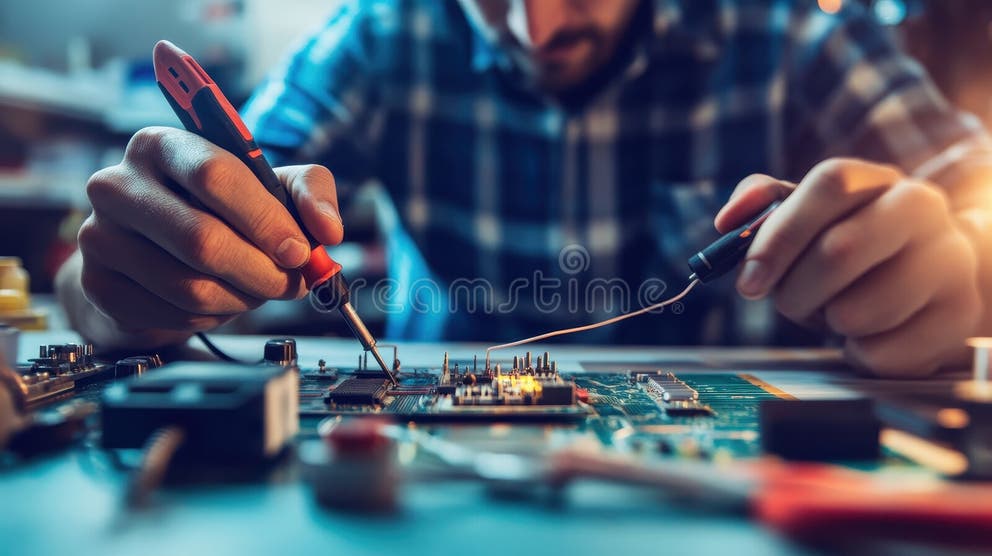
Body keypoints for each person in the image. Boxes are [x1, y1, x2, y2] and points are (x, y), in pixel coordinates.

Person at [56, 0, 992, 377]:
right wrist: (121, 283)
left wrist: (965, 269)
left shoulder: (798, 34)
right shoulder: (380, 34)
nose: (536, 28)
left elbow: (974, 202)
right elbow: (185, 201)